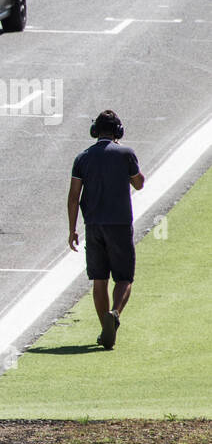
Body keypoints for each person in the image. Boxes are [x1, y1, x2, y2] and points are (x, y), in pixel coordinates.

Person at [68, 110, 144, 350]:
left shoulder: (82, 157)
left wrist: (72, 230)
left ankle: (105, 329)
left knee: (98, 279)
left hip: (93, 226)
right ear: (118, 131)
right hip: (120, 225)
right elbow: (139, 183)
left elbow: (73, 197)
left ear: (95, 131)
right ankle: (115, 314)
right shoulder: (125, 153)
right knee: (124, 278)